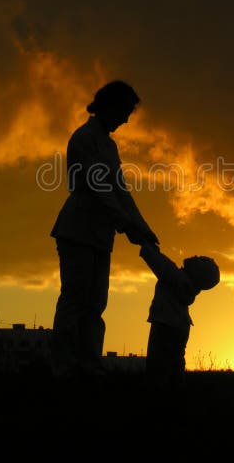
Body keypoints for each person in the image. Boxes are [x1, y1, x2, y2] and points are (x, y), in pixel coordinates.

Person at [50, 80, 158, 378]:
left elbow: (120, 191)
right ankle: (65, 366)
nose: (126, 120)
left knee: (96, 302)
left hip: (100, 234)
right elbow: (98, 188)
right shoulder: (84, 138)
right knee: (75, 299)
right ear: (110, 106)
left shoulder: (109, 145)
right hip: (77, 230)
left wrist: (142, 227)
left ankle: (89, 364)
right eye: (125, 112)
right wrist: (127, 225)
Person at [138, 241, 220, 390]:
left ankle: (158, 394)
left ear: (197, 273)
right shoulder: (186, 285)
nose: (196, 256)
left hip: (165, 323)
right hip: (180, 325)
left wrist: (147, 247)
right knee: (175, 363)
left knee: (157, 365)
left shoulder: (177, 278)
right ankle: (176, 391)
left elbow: (161, 265)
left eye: (200, 260)